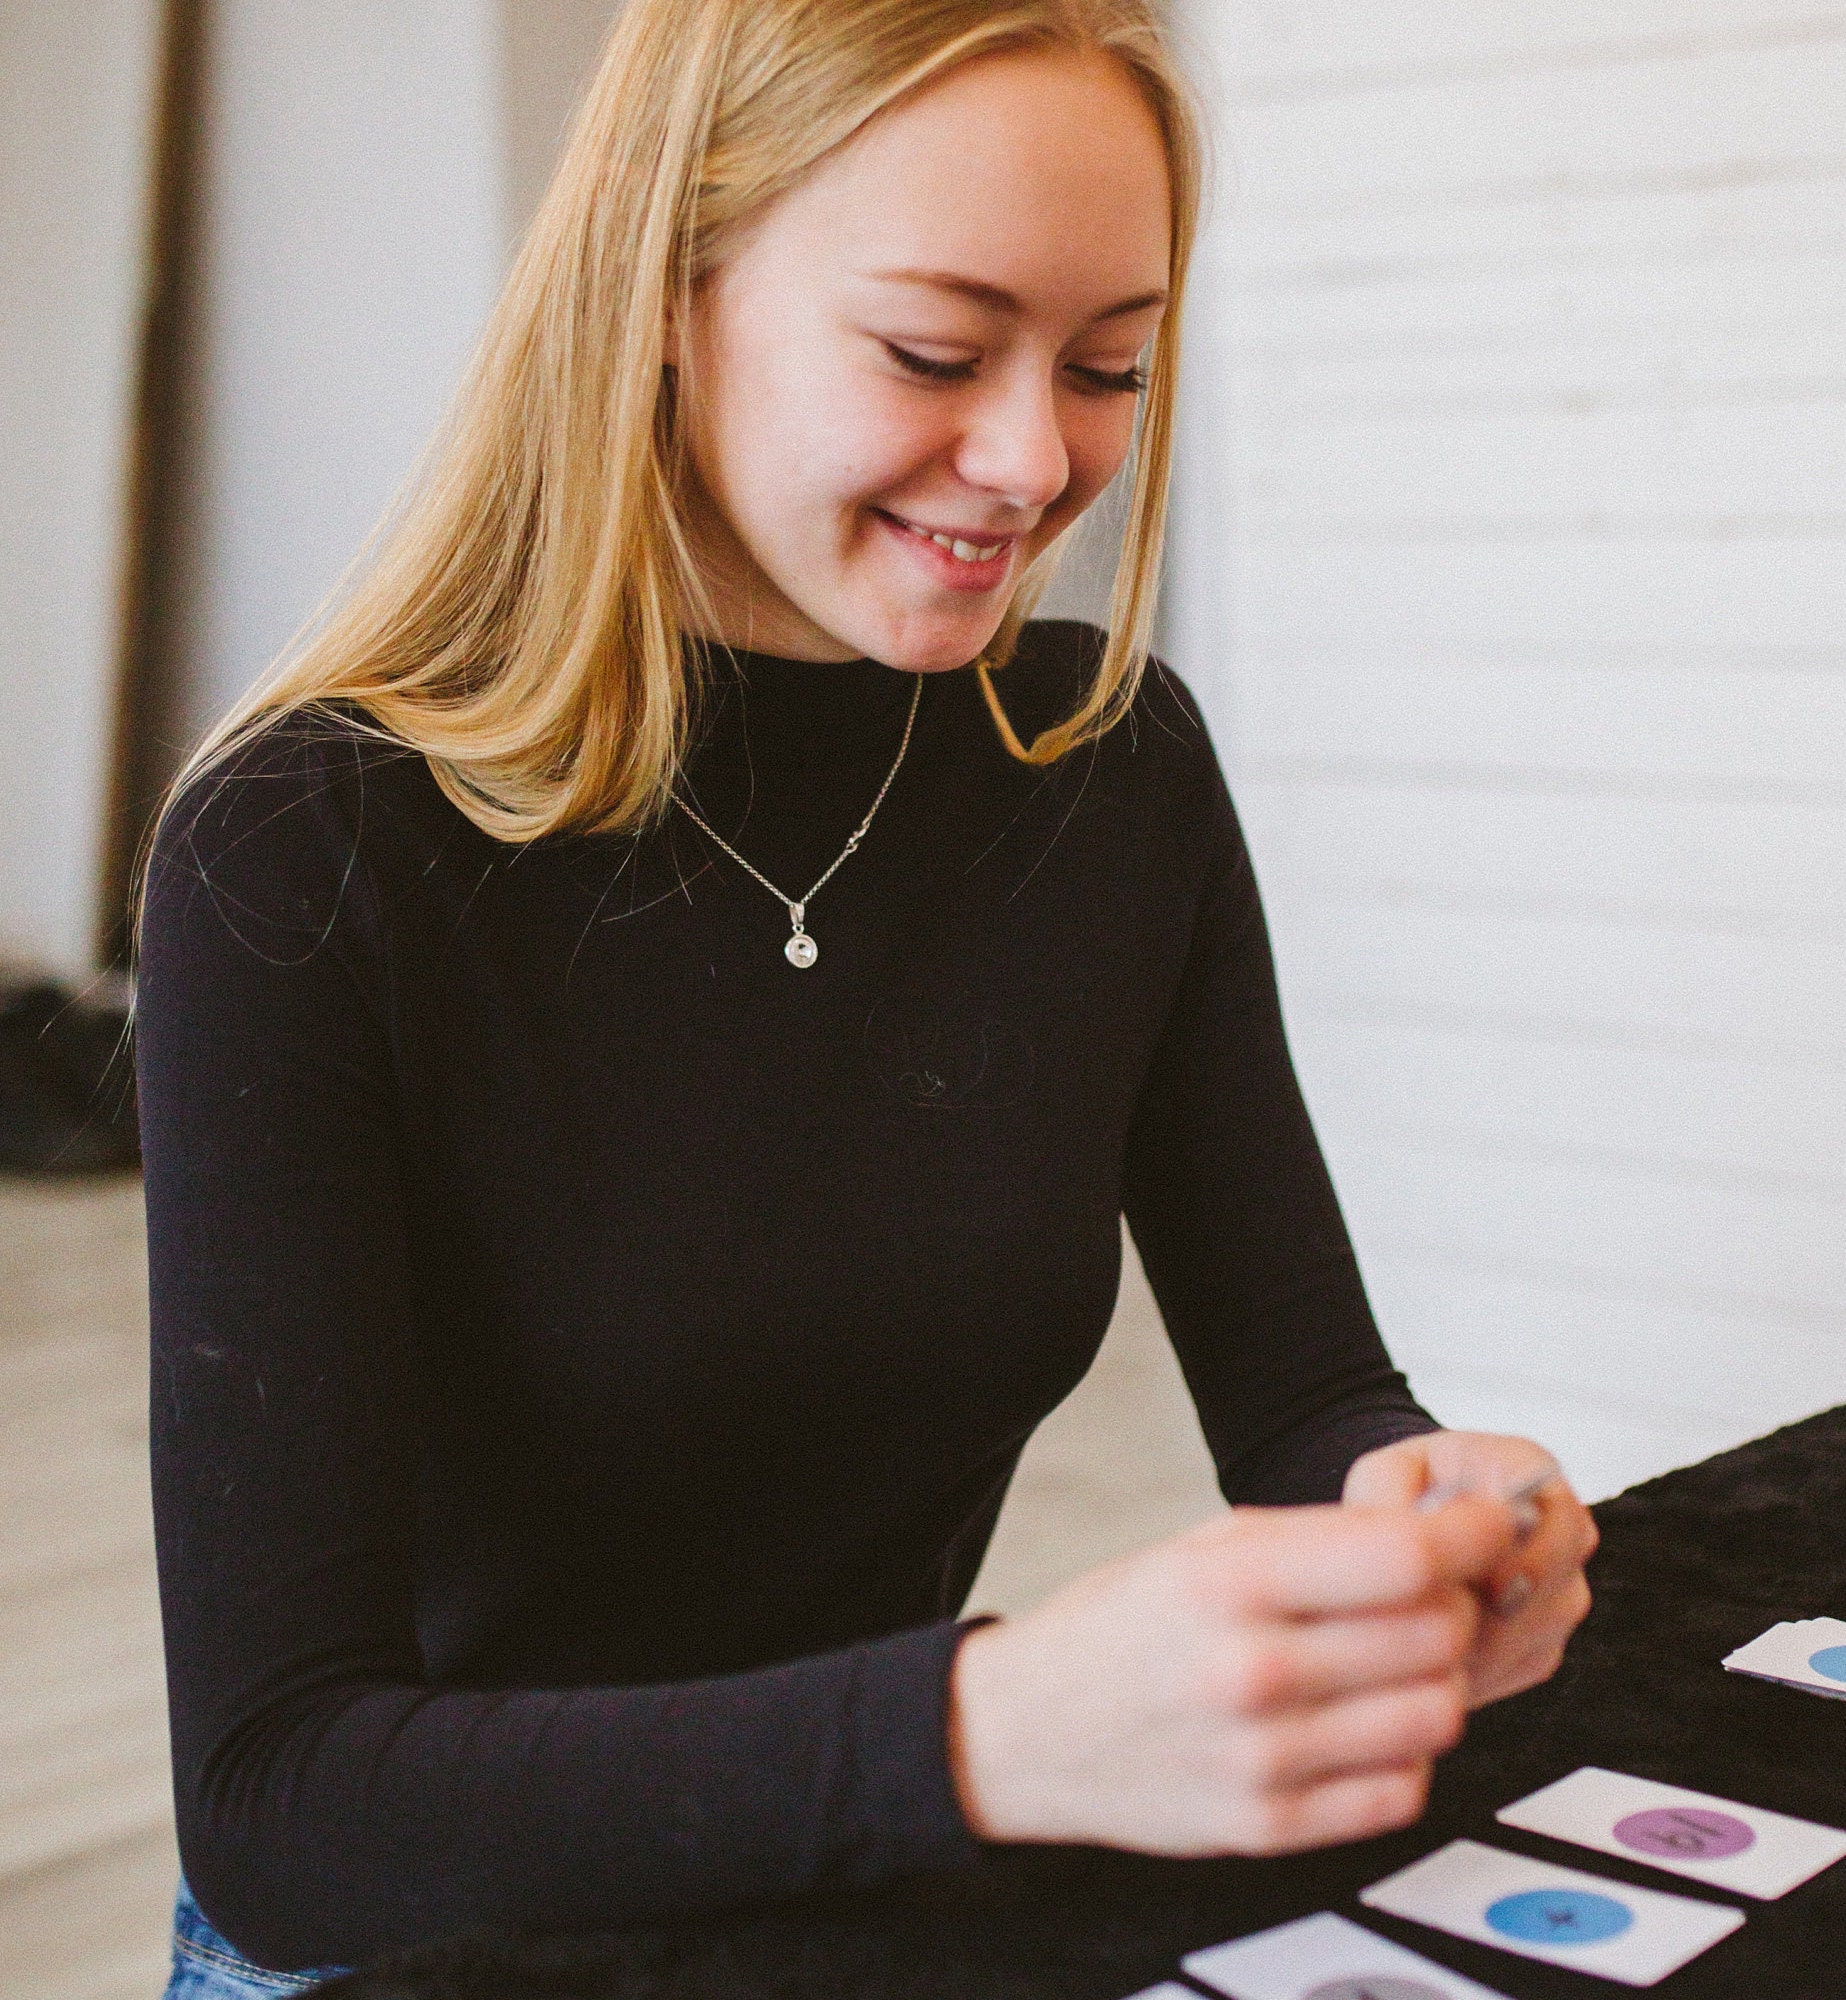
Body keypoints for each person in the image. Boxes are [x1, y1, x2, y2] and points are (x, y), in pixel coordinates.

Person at [137, 2, 1596, 1992]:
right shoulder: (303, 847)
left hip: (862, 1897)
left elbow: (1306, 1398)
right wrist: (986, 1729)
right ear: (665, 284)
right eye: (931, 351)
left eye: (1110, 364)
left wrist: (1424, 1506)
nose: (1033, 459)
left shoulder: (1111, 769)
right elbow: (283, 1808)